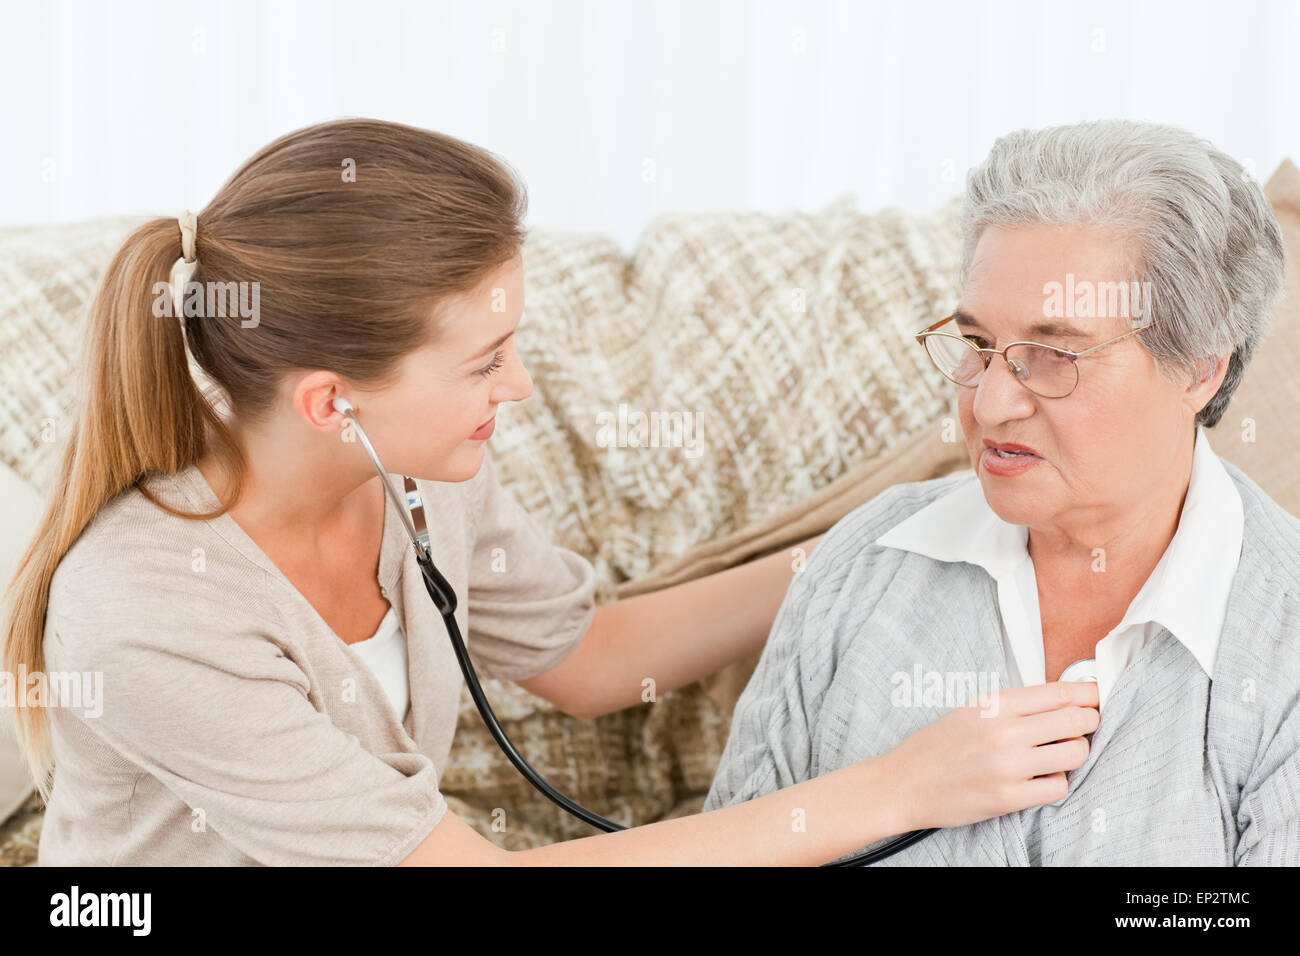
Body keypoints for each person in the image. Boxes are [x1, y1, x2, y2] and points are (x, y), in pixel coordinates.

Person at [1, 118, 1097, 866]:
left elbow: (593, 657)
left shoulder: (413, 475)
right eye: (484, 361)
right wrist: (904, 789)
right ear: (335, 401)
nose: (517, 386)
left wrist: (872, 542)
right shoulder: (147, 609)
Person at [703, 119, 1299, 866]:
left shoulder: (1282, 642)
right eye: (979, 345)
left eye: (1052, 355)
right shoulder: (862, 563)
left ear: (1198, 368)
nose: (987, 406)